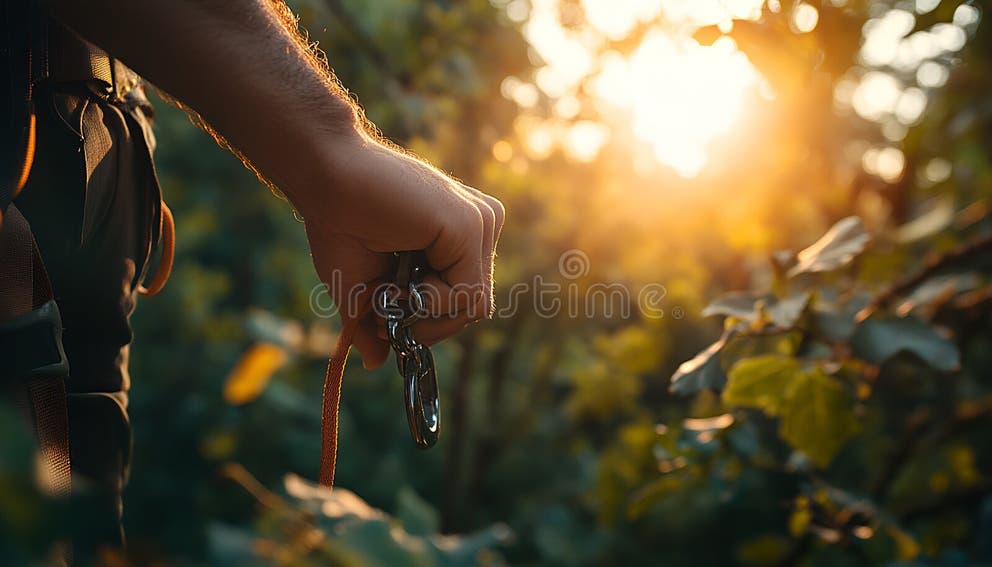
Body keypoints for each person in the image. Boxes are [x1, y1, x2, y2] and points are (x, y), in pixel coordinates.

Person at [3, 0, 505, 560]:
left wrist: (326, 147)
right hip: (29, 161)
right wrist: (328, 144)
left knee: (75, 535)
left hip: (98, 143)